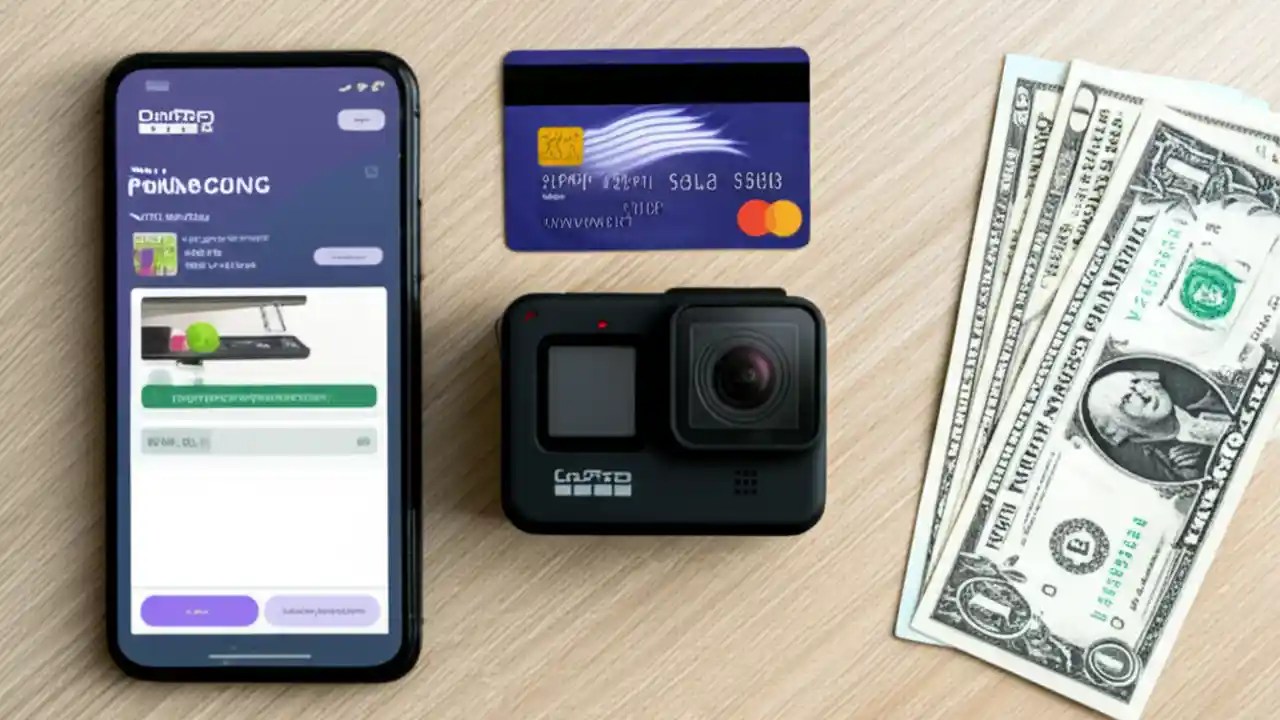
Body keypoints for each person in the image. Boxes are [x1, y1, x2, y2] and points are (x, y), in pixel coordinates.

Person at [1085, 368, 1230, 483]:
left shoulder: (1207, 396)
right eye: (1127, 399)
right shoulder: (1167, 466)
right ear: (1119, 427)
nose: (1144, 393)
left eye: (1136, 383)